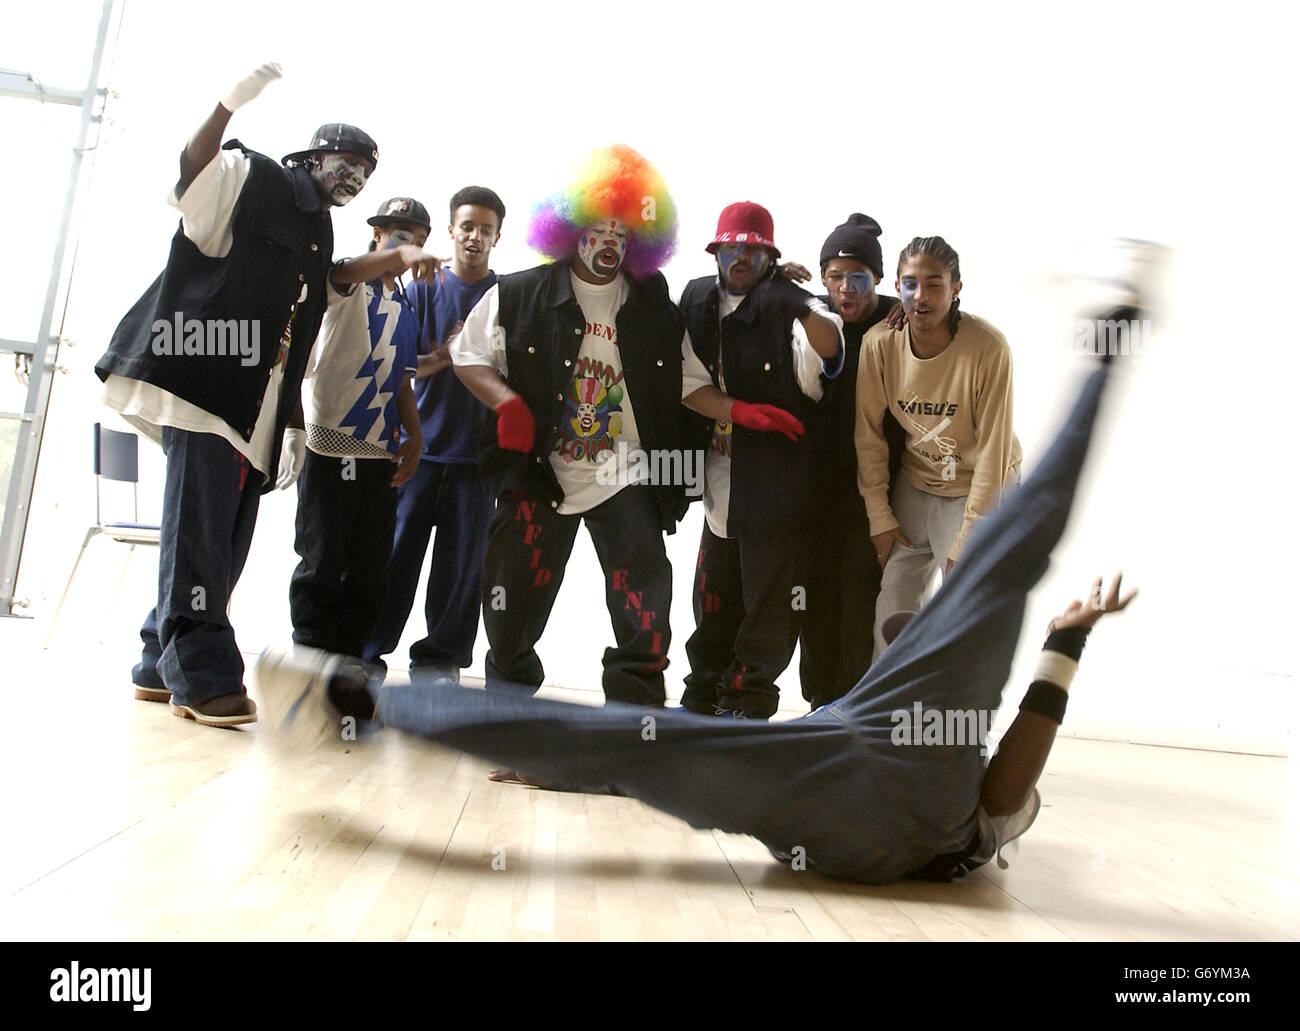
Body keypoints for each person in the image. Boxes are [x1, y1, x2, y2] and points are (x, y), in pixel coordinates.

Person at [257, 350, 1133, 884]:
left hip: (839, 770)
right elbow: (1011, 790)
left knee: (634, 739)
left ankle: (360, 702)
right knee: (634, 743)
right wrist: (1061, 649)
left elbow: (1011, 786)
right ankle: (365, 704)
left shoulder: (971, 795)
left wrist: (1061, 648)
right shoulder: (974, 816)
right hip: (853, 813)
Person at [94, 61, 379, 726]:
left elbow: (304, 322)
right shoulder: (254, 177)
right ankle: (202, 671)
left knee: (225, 539)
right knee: (201, 532)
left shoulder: (320, 229)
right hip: (205, 386)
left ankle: (153, 658)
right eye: (347, 162)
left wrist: (296, 423)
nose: (355, 179)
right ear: (312, 155)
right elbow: (192, 175)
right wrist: (228, 104)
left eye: (366, 172)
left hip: (261, 405)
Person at [447, 146, 686, 708]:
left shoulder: (653, 304)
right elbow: (467, 356)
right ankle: (509, 717)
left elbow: (688, 381)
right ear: (569, 232)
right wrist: (506, 403)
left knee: (646, 608)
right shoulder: (518, 292)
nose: (609, 244)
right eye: (597, 231)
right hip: (538, 473)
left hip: (623, 475)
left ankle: (635, 723)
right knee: (510, 606)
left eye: (622, 235)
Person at [676, 202, 845, 720]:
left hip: (777, 486)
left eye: (752, 249)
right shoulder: (698, 299)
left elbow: (829, 352)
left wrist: (799, 304)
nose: (739, 258)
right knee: (712, 596)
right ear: (716, 252)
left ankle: (748, 703)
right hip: (720, 478)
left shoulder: (789, 306)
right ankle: (702, 697)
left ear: (770, 255)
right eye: (730, 248)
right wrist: (739, 413)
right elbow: (687, 388)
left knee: (769, 601)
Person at [288, 196, 443, 663]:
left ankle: (350, 668)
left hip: (380, 454)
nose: (407, 245)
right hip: (331, 445)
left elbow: (401, 378)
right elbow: (348, 271)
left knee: (371, 570)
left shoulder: (405, 305)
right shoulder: (345, 283)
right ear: (377, 234)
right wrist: (401, 256)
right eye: (397, 235)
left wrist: (415, 435)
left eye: (416, 239)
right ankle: (309, 667)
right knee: (321, 561)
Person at [363, 187, 507, 684]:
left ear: (496, 237)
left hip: (475, 462)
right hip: (417, 452)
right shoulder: (422, 288)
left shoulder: (505, 297)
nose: (475, 237)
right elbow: (402, 370)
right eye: (467, 226)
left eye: (485, 230)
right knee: (393, 558)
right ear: (451, 230)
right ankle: (367, 655)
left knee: (461, 571)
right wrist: (451, 353)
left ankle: (439, 664)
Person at [856, 236, 1023, 661]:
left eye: (935, 284)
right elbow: (868, 434)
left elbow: (993, 453)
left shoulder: (988, 348)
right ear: (896, 288)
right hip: (918, 481)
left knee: (965, 605)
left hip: (978, 484)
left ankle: (964, 722)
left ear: (957, 288)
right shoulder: (880, 344)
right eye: (910, 284)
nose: (921, 295)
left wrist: (967, 538)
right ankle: (883, 713)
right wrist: (879, 515)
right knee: (894, 600)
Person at [794, 214, 905, 709]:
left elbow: (946, 321)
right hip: (816, 490)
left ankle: (856, 709)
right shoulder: (815, 317)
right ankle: (820, 705)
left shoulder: (899, 320)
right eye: (834, 276)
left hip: (874, 491)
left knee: (862, 600)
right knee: (815, 600)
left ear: (876, 280)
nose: (845, 287)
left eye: (857, 276)